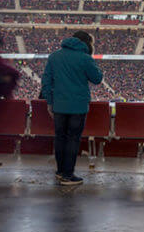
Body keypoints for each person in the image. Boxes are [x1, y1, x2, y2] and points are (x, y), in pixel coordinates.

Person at [41, 30, 103, 186]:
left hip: (59, 105)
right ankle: (68, 175)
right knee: (73, 139)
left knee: (60, 138)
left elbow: (46, 81)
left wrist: (49, 102)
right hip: (78, 106)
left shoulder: (54, 56)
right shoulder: (85, 58)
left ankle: (60, 171)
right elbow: (97, 79)